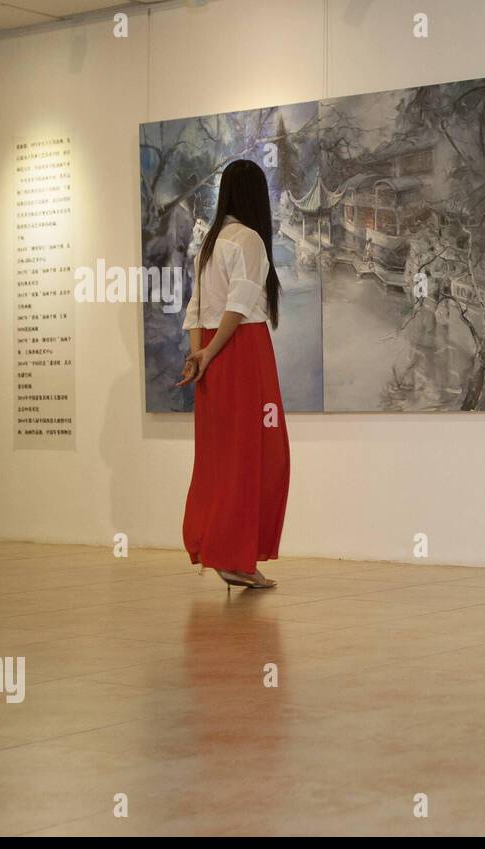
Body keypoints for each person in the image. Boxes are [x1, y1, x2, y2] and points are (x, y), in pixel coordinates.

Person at [177, 159, 290, 590]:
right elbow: (239, 307)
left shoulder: (209, 243)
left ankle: (223, 549)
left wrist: (199, 356)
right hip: (242, 353)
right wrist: (210, 351)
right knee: (263, 456)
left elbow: (196, 310)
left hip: (213, 356)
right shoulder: (248, 239)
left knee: (221, 457)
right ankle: (238, 559)